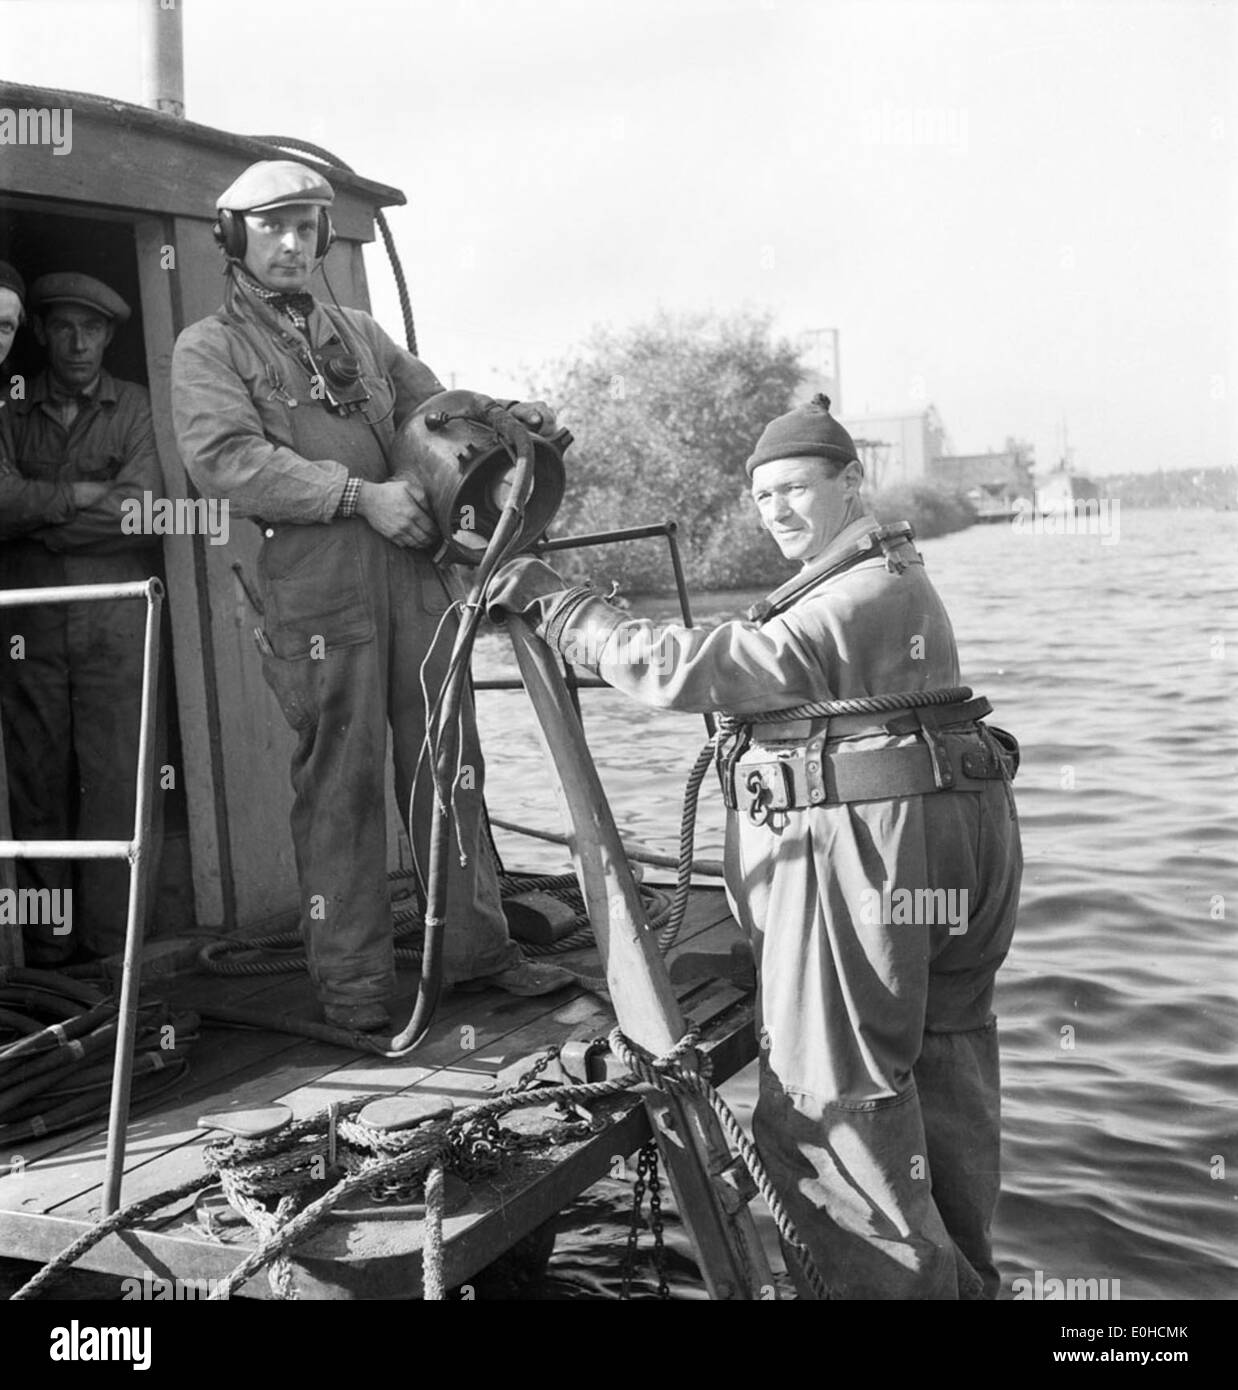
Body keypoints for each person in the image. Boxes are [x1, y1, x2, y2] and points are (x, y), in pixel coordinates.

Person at [484, 393, 1023, 1299]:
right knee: (946, 1065)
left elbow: (693, 668)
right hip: (954, 846)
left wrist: (565, 608)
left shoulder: (849, 597)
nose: (774, 511)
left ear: (852, 482)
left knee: (832, 1102)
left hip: (871, 859)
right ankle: (972, 1284)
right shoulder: (892, 570)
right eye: (760, 496)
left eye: (795, 489)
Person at [170, 160, 572, 1032]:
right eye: (272, 226)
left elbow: (434, 411)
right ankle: (354, 992)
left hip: (416, 574)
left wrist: (509, 418)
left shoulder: (358, 330)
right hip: (317, 591)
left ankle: (476, 951)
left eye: (307, 226)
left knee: (449, 763)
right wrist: (360, 497)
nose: (292, 242)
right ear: (233, 238)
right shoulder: (209, 348)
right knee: (342, 784)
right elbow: (226, 460)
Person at [0, 271, 165, 965]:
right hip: (26, 626)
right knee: (35, 775)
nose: (76, 342)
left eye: (91, 328)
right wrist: (85, 499)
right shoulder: (8, 403)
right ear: (38, 332)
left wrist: (41, 517)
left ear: (109, 335)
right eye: (62, 326)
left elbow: (146, 510)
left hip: (115, 621)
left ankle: (112, 949)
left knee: (117, 776)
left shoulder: (135, 406)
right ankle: (48, 943)